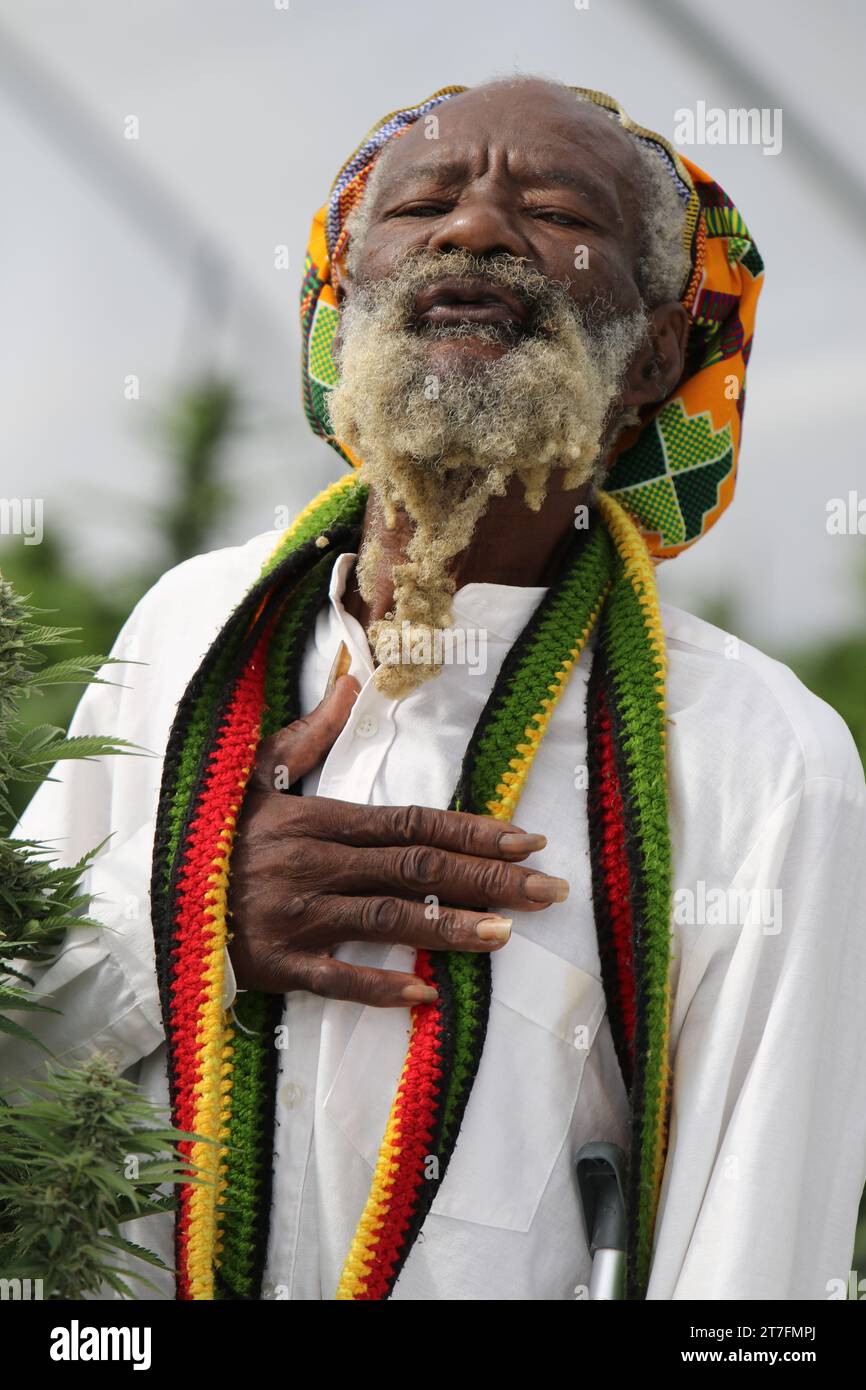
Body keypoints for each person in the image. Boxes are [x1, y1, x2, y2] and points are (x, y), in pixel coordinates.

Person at [6, 75, 866, 1301]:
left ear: (653, 354)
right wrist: (190, 924)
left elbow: (753, 1265)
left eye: (556, 208)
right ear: (342, 300)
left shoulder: (763, 756)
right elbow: (16, 1075)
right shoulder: (192, 630)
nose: (472, 230)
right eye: (421, 206)